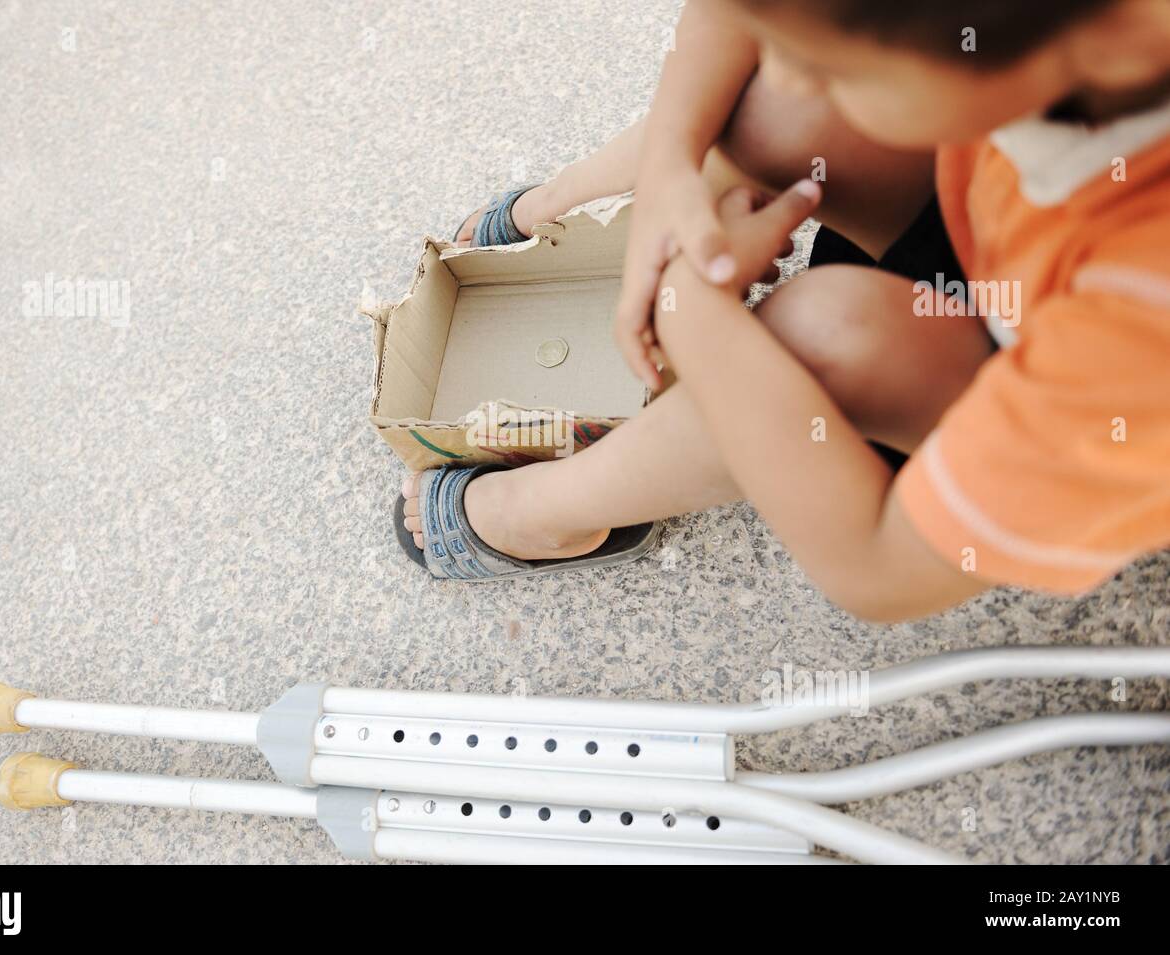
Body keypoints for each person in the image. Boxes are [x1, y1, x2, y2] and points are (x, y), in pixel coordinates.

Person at [397, 0, 1170, 621]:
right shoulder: (1072, 38)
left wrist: (695, 317)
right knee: (766, 111)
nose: (796, 75)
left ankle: (547, 512)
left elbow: (880, 573)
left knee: (816, 340)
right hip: (1015, 204)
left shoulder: (1141, 334)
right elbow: (739, 17)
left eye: (833, 67)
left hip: (1047, 377)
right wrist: (670, 164)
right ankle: (561, 203)